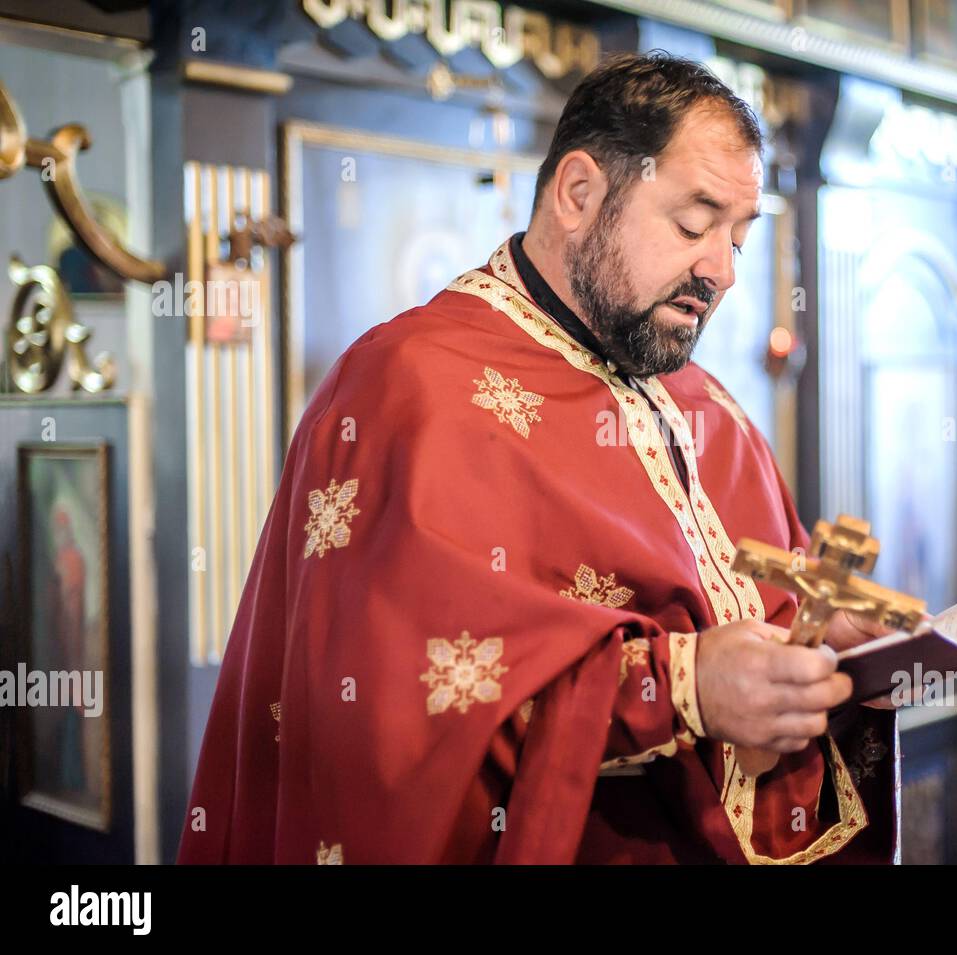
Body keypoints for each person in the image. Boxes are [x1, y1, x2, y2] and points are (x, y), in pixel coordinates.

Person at [178, 51, 898, 865]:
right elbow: (394, 704)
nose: (722, 271)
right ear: (579, 193)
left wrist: (820, 639)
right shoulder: (406, 390)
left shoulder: (707, 408)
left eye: (739, 235)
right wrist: (686, 687)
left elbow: (749, 604)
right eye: (695, 224)